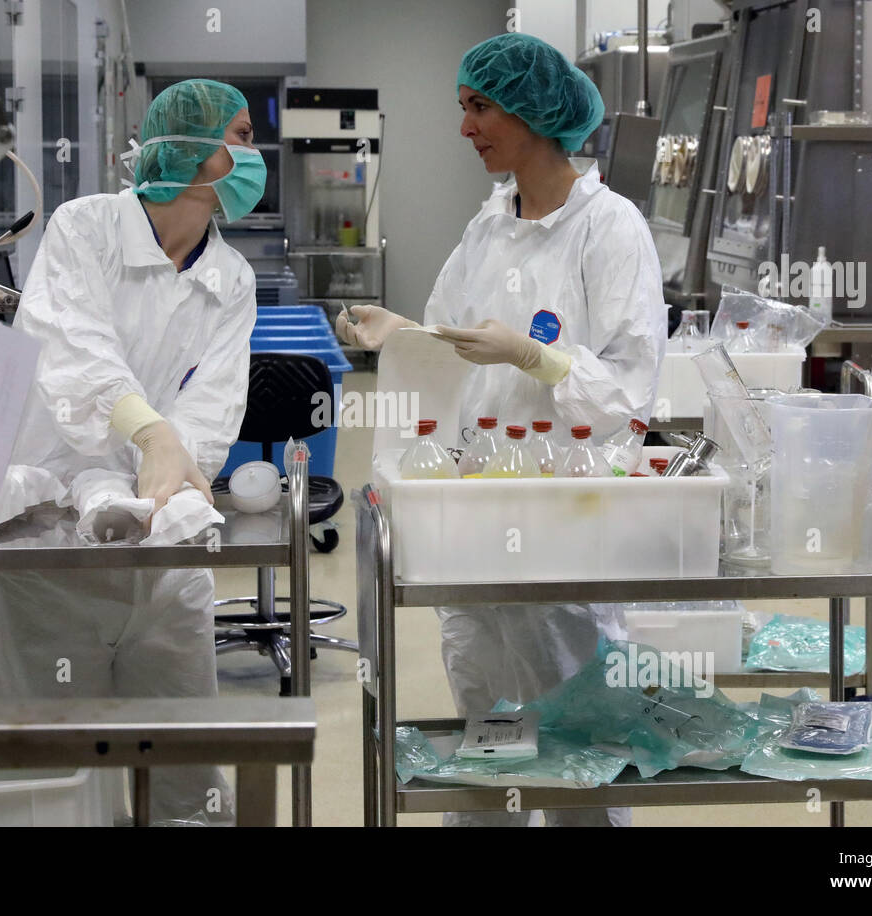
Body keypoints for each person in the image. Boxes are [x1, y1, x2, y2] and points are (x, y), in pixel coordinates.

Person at [337, 33, 665, 827]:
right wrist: (404, 333)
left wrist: (536, 357)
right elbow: (455, 347)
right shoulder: (488, 226)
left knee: (580, 746)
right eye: (463, 108)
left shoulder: (609, 230)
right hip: (476, 516)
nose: (465, 128)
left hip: (565, 524)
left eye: (478, 107)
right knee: (491, 739)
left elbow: (627, 391)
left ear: (533, 112)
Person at [0, 79, 265, 825]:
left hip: (166, 554)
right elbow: (72, 348)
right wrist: (150, 432)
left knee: (182, 773)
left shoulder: (231, 278)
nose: (252, 153)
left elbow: (215, 401)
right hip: (52, 557)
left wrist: (173, 471)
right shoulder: (88, 228)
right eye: (239, 135)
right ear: (193, 150)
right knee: (58, 781)